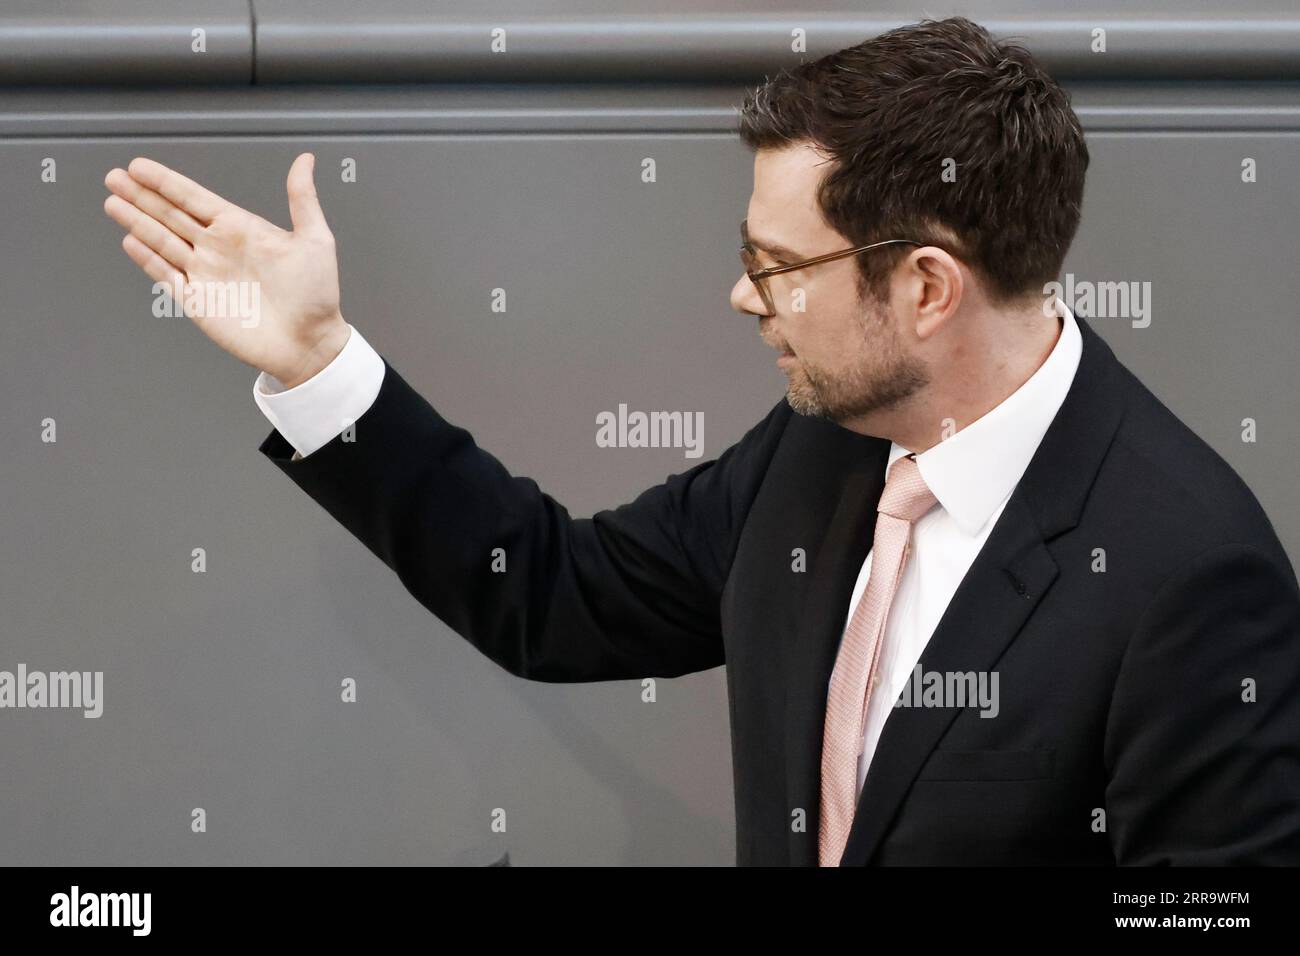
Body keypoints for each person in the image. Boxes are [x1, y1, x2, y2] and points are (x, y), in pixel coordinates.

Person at [102, 17, 1300, 865]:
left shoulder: (1190, 575)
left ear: (927, 286)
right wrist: (318, 362)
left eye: (773, 267)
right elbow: (557, 596)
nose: (743, 298)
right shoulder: (820, 448)